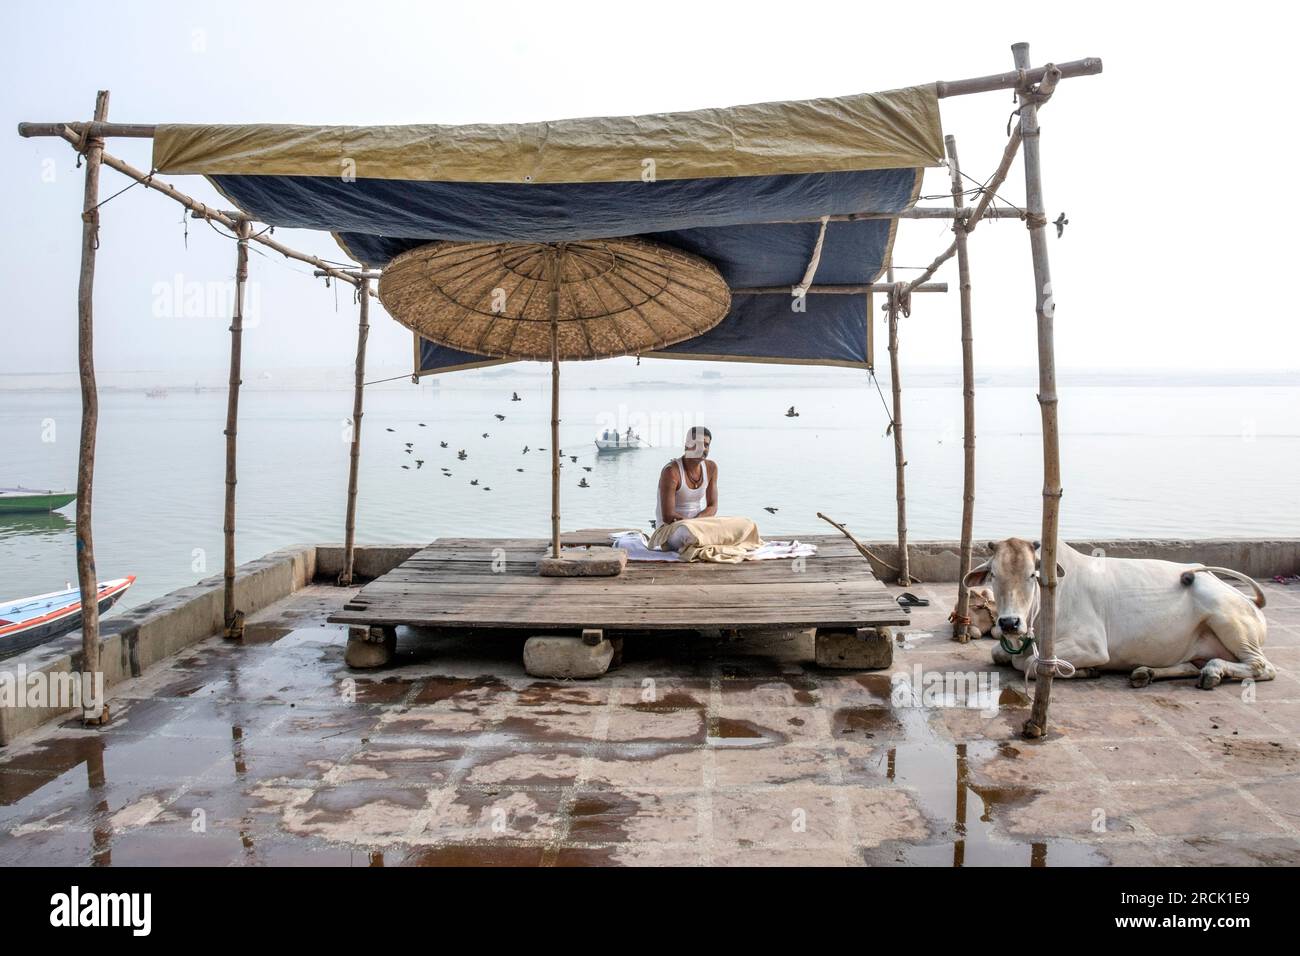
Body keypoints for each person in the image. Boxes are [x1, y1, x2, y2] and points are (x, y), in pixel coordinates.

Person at [655, 426, 718, 530]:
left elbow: (713, 506)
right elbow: (668, 516)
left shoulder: (711, 468)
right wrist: (691, 525)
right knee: (689, 534)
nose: (702, 448)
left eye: (706, 445)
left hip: (698, 525)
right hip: (669, 529)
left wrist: (697, 521)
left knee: (742, 525)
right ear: (687, 445)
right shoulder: (671, 471)